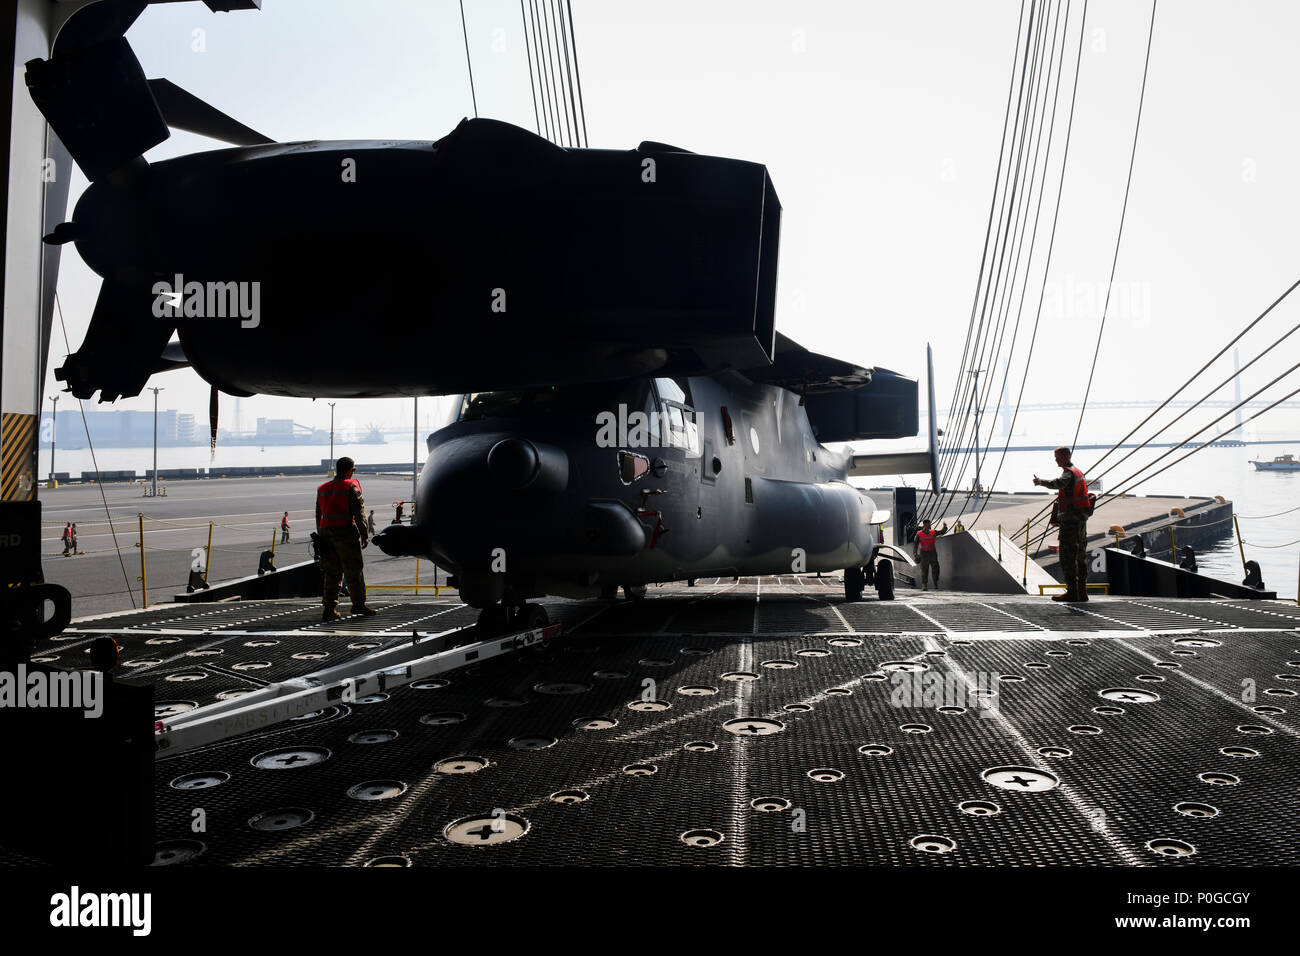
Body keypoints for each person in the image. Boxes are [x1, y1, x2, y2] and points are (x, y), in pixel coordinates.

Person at [315, 456, 376, 621]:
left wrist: (321, 535)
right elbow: (359, 513)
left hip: (326, 534)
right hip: (345, 534)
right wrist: (364, 535)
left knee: (331, 572)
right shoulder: (350, 487)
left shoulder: (322, 488)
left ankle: (329, 609)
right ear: (350, 470)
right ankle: (358, 605)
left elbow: (318, 515)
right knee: (354, 571)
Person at [1033, 445, 1093, 602]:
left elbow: (1059, 483)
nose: (1055, 460)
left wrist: (1041, 482)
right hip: (1080, 520)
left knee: (1067, 556)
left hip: (1071, 521)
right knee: (1081, 556)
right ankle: (1082, 592)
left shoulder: (1068, 473)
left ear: (1066, 457)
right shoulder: (1078, 472)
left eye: (1058, 457)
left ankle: (1072, 592)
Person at [915, 518, 948, 591]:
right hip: (924, 553)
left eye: (930, 524)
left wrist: (945, 527)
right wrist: (915, 554)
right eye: (928, 524)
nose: (930, 525)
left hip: (932, 553)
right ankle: (924, 585)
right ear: (924, 524)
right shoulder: (919, 533)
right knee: (924, 570)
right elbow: (916, 544)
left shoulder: (933, 532)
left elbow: (941, 532)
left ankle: (935, 584)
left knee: (935, 569)